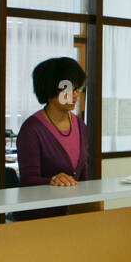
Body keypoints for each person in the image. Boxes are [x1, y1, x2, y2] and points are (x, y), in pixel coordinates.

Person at [15, 57, 89, 219]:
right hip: (39, 219)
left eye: (78, 89)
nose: (75, 95)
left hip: (72, 217)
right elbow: (28, 180)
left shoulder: (80, 126)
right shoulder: (32, 130)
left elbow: (83, 176)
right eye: (68, 90)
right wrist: (52, 180)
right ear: (50, 90)